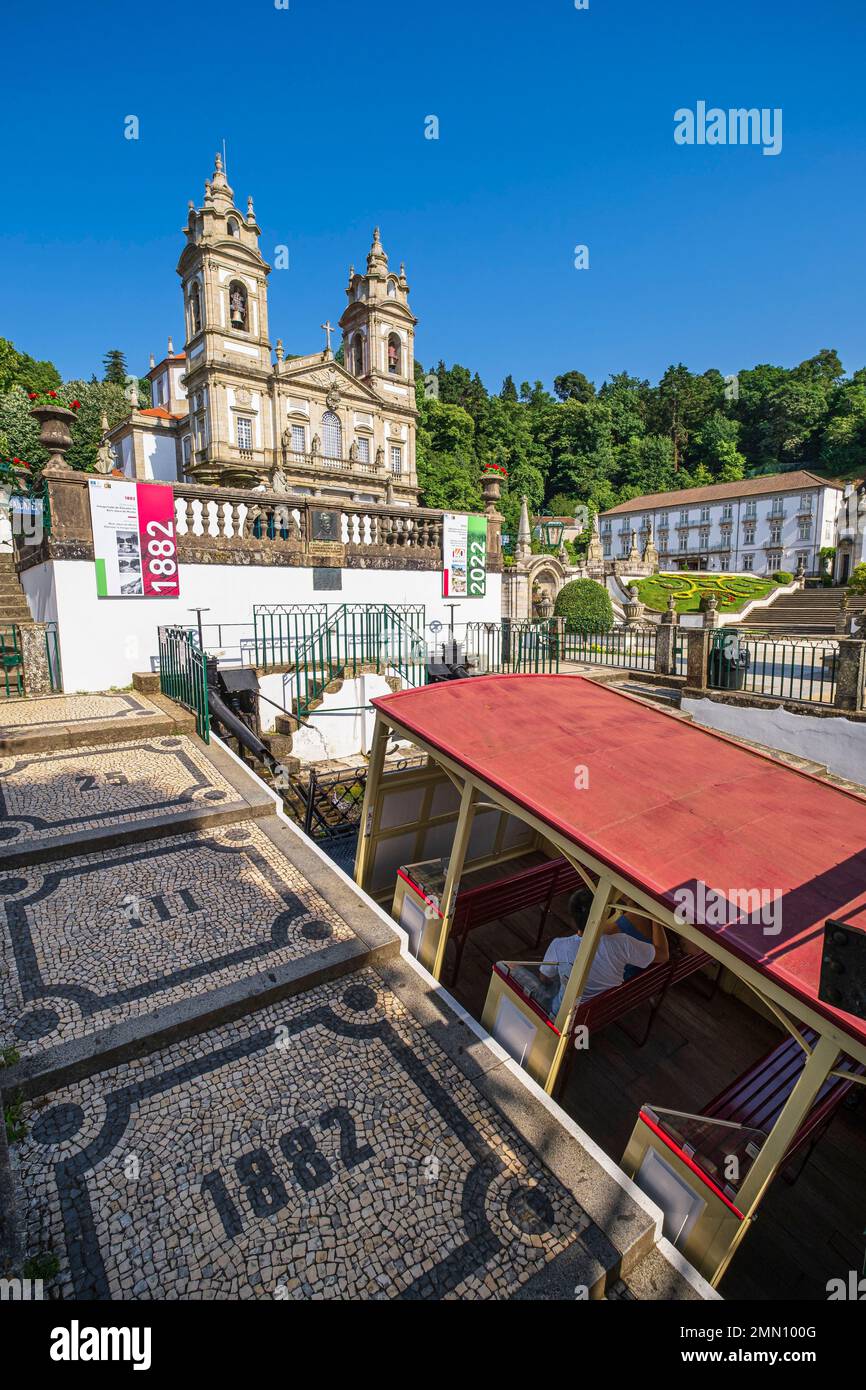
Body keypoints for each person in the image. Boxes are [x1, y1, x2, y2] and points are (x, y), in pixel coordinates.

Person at [539, 889, 669, 1017]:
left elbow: (544, 978)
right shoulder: (622, 944)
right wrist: (655, 917)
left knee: (520, 971)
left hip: (558, 1013)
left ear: (573, 918)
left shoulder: (559, 946)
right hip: (598, 1015)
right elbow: (663, 955)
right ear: (603, 915)